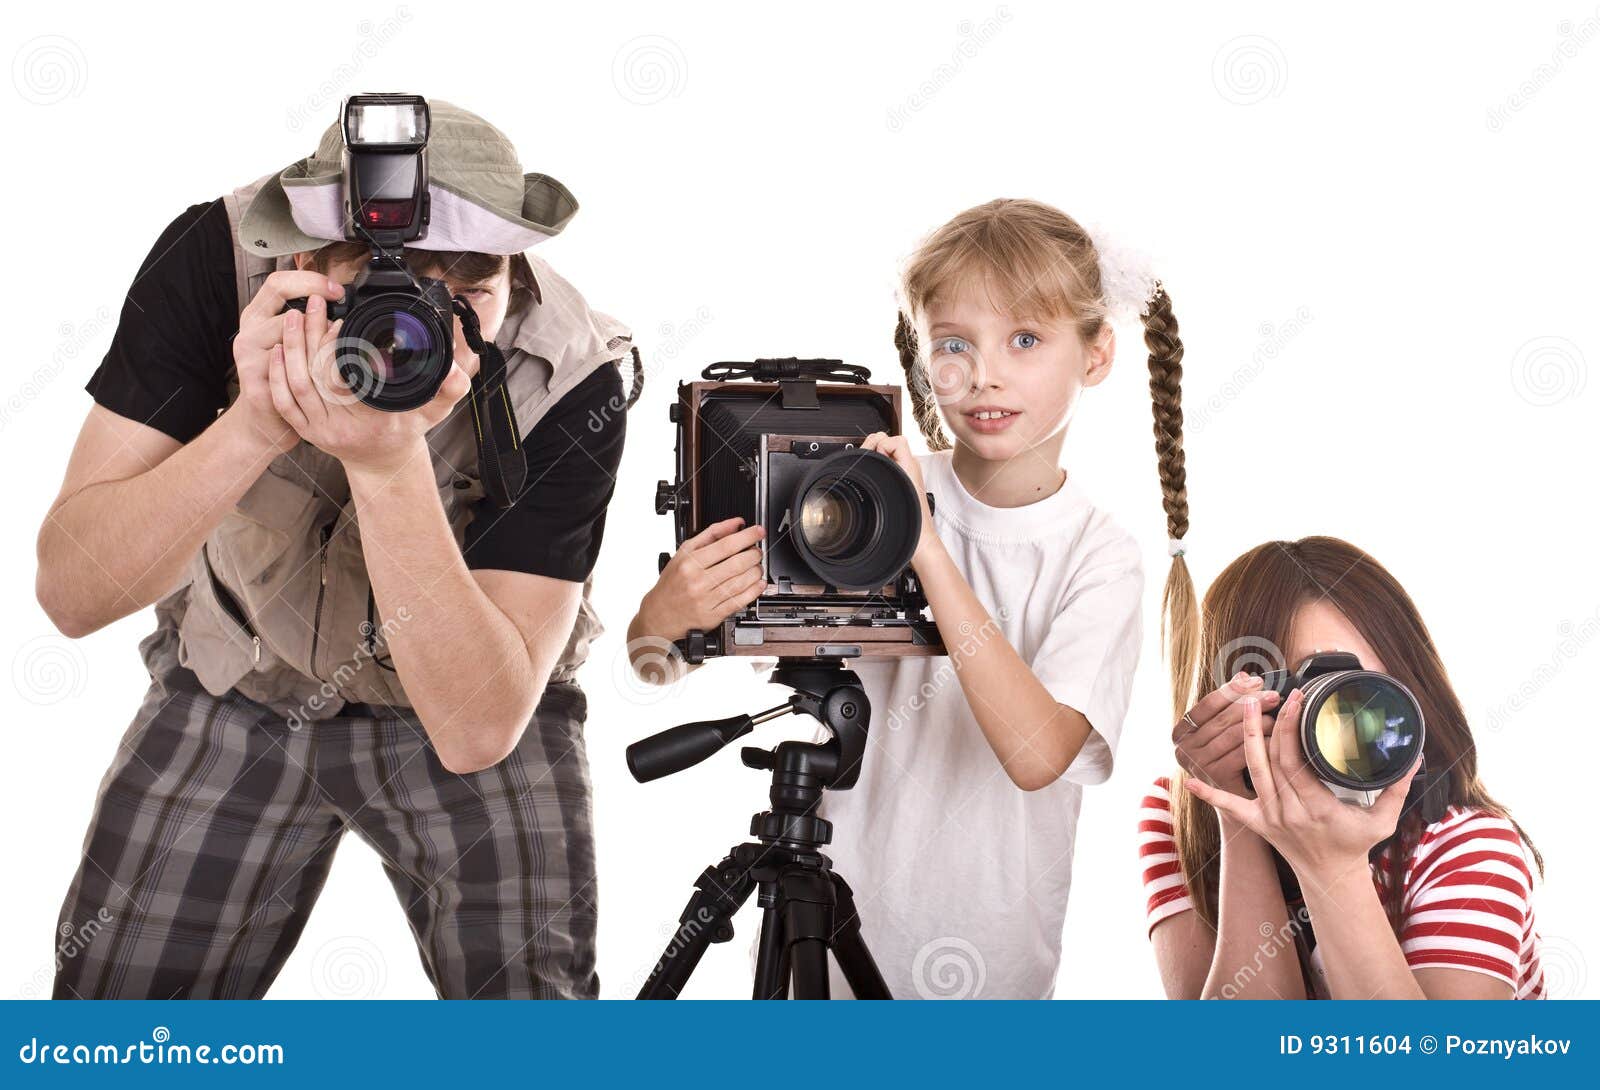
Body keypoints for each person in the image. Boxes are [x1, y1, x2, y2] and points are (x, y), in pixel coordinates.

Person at [36, 100, 633, 999]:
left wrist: (388, 465)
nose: (413, 327)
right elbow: (72, 595)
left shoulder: (576, 367)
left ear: (514, 268)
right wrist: (252, 423)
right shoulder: (214, 264)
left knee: (534, 1034)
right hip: (239, 668)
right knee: (116, 1029)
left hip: (470, 679)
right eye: (381, 284)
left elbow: (479, 728)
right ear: (301, 262)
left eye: (465, 288)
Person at [630, 198, 1197, 998]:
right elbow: (655, 667)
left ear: (1097, 353)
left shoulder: (1097, 555)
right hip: (816, 940)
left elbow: (1038, 756)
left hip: (986, 967)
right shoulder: (851, 495)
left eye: (1026, 340)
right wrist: (664, 619)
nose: (984, 374)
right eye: (953, 345)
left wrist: (925, 548)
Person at [1140, 536, 1546, 999]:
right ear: (1238, 705)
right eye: (1309, 691)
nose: (1346, 724)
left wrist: (1335, 864)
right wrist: (1239, 811)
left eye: (1368, 693)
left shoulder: (1469, 845)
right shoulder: (1180, 812)